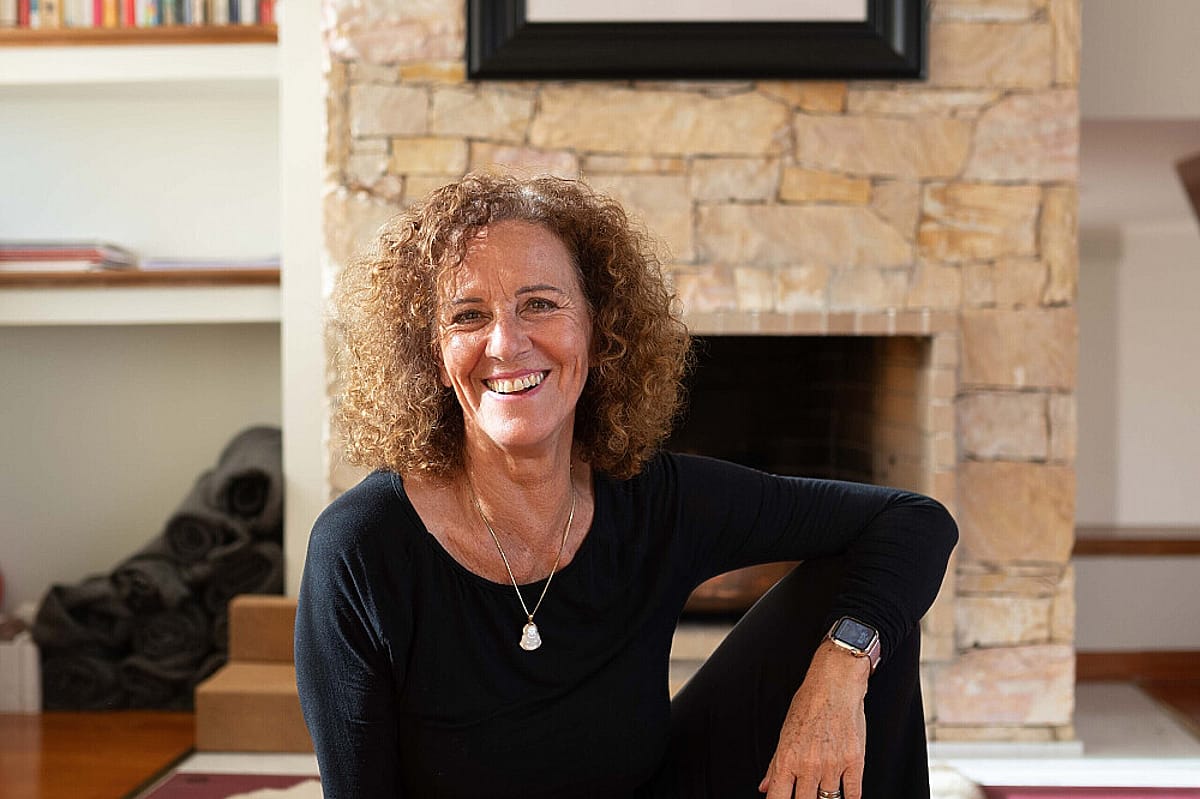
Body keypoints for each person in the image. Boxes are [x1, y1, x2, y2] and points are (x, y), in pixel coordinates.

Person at [295, 172, 957, 799]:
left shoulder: (651, 500)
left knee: (868, 613)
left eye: (541, 304)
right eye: (468, 315)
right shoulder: (362, 549)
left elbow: (913, 518)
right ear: (434, 356)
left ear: (597, 330)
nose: (506, 341)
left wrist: (839, 669)